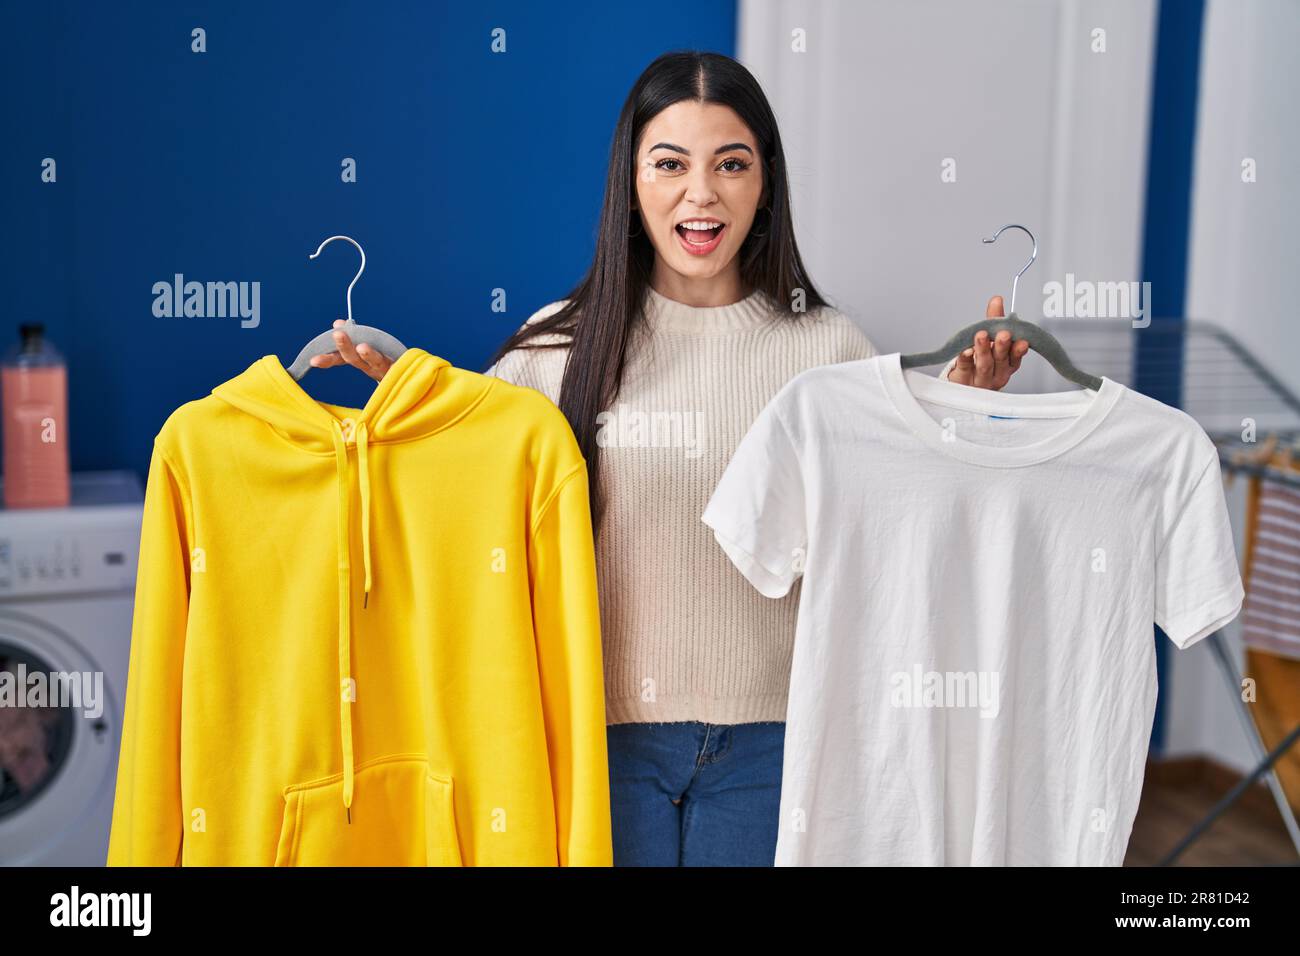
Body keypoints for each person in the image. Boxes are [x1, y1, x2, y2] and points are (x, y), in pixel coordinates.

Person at [315, 50, 1028, 866]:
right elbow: (461, 506)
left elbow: (903, 529)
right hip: (598, 743)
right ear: (632, 181)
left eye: (732, 163)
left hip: (780, 748)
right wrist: (412, 399)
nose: (702, 191)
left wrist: (964, 417)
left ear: (765, 184)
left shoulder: (829, 350)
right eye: (670, 164)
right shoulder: (556, 349)